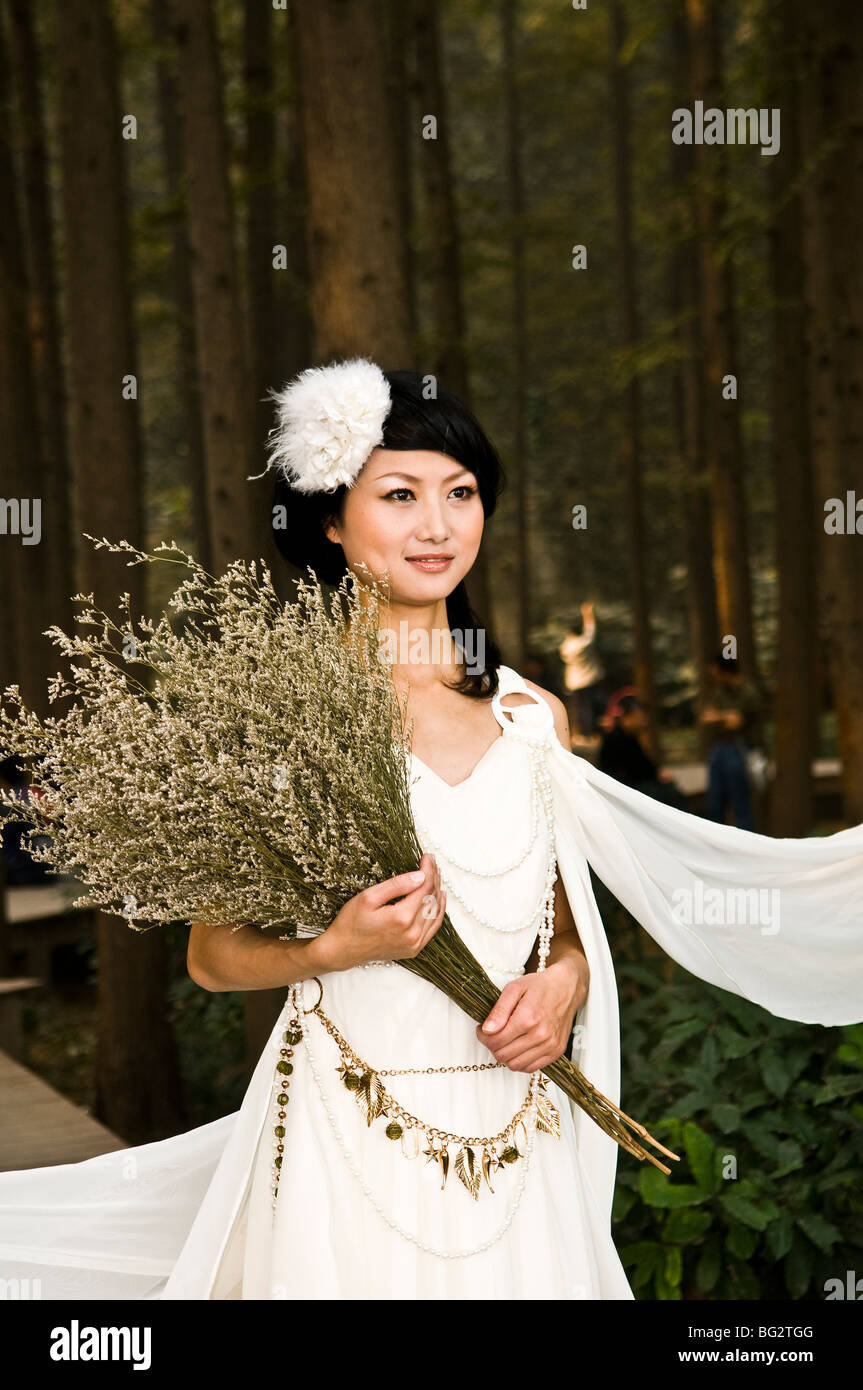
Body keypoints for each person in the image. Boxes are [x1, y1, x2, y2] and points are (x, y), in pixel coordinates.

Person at [1, 360, 862, 1301]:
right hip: (349, 1133)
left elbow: (562, 931)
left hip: (515, 1130)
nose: (437, 525)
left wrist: (565, 988)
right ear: (331, 519)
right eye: (400, 494)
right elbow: (213, 956)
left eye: (460, 494)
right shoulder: (283, 714)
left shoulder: (534, 717)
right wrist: (335, 946)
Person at [700, 652, 761, 831]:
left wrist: (718, 717)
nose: (715, 678)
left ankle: (747, 845)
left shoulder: (747, 692)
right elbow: (706, 717)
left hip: (740, 749)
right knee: (714, 803)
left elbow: (736, 722)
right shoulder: (720, 692)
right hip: (720, 748)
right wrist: (724, 717)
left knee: (740, 804)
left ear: (726, 672)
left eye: (717, 674)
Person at [598, 695, 687, 812]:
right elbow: (634, 770)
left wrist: (657, 774)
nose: (644, 722)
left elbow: (644, 765)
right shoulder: (616, 739)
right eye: (639, 717)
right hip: (625, 790)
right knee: (669, 794)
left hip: (634, 786)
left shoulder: (631, 737)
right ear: (627, 717)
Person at [559, 603, 604, 740]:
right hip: (588, 679)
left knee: (579, 708)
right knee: (589, 707)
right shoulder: (583, 644)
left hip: (574, 682)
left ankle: (583, 732)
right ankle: (588, 732)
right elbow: (590, 632)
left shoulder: (566, 647)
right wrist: (588, 616)